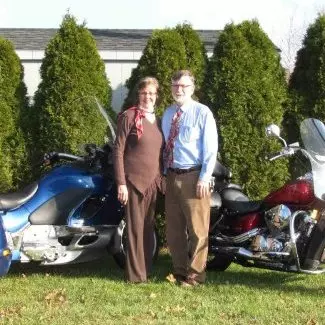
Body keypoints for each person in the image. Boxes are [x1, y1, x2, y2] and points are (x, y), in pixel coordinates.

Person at [162, 70, 218, 287]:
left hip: (194, 178)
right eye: (175, 86)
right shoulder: (168, 114)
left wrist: (205, 178)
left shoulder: (202, 113)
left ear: (192, 89)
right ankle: (178, 271)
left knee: (197, 230)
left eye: (184, 86)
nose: (179, 90)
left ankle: (195, 276)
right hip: (171, 175)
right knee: (174, 230)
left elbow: (211, 149)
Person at [113, 77, 164, 283]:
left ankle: (145, 270)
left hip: (153, 182)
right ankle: (134, 275)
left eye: (152, 93)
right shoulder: (129, 116)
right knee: (134, 229)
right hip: (133, 181)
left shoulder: (158, 121)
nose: (148, 97)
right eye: (145, 93)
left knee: (148, 228)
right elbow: (118, 151)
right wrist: (121, 183)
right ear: (139, 95)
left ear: (157, 96)